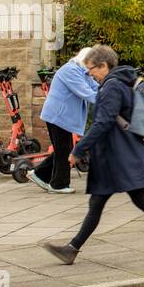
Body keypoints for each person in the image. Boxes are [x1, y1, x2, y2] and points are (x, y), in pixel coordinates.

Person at [42, 45, 144, 264]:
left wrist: (78, 149)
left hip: (118, 155)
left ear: (104, 65)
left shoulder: (112, 87)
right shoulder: (119, 82)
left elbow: (102, 122)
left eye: (91, 70)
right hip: (118, 153)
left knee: (138, 199)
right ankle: (72, 249)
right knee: (101, 203)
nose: (90, 74)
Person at [28, 47, 99, 194]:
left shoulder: (83, 72)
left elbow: (95, 87)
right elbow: (85, 92)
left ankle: (39, 174)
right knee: (64, 150)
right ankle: (58, 185)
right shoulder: (71, 70)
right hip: (57, 116)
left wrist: (110, 92)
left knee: (62, 149)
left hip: (63, 116)